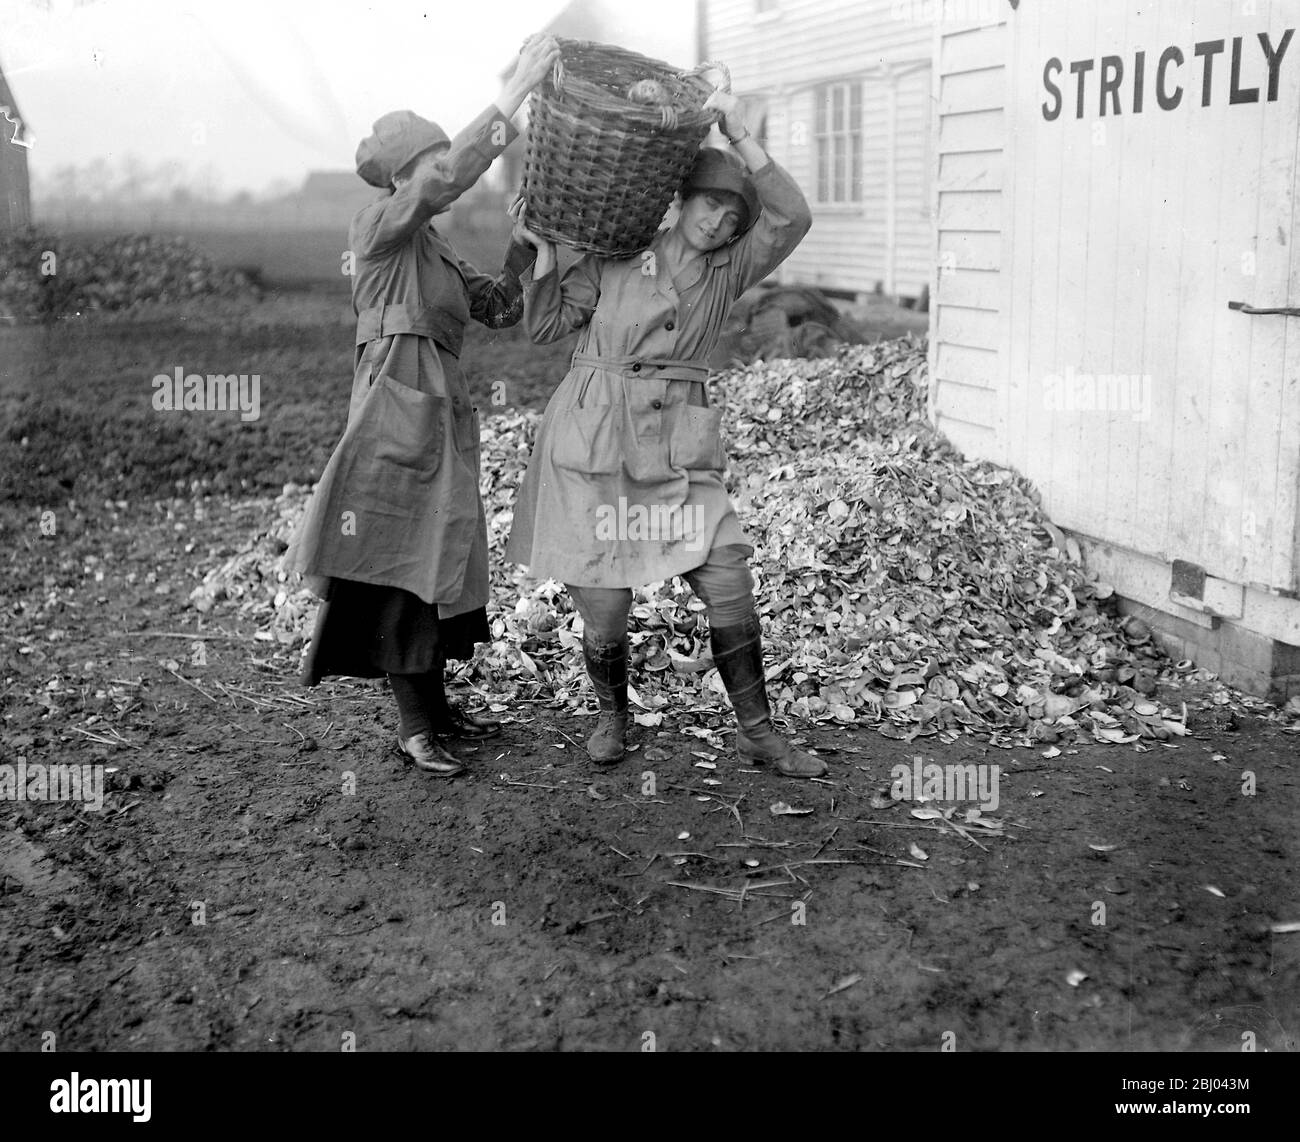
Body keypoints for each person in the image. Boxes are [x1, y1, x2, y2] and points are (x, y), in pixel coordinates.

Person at [507, 89, 827, 779]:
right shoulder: (620, 254)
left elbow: (794, 214)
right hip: (595, 433)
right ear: (682, 202)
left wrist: (739, 131)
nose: (719, 221)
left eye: (733, 214)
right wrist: (538, 255)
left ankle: (758, 732)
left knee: (728, 577)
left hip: (679, 441)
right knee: (606, 600)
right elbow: (542, 328)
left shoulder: (729, 270)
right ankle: (612, 717)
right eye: (710, 204)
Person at [284, 34, 561, 779]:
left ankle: (436, 710)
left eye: (446, 160)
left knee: (433, 558)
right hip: (392, 408)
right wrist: (511, 102)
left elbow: (499, 307)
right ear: (402, 177)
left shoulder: (433, 248)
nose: (442, 175)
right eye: (431, 165)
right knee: (396, 562)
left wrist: (526, 246)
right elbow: (445, 185)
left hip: (438, 409)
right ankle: (414, 728)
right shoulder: (375, 228)